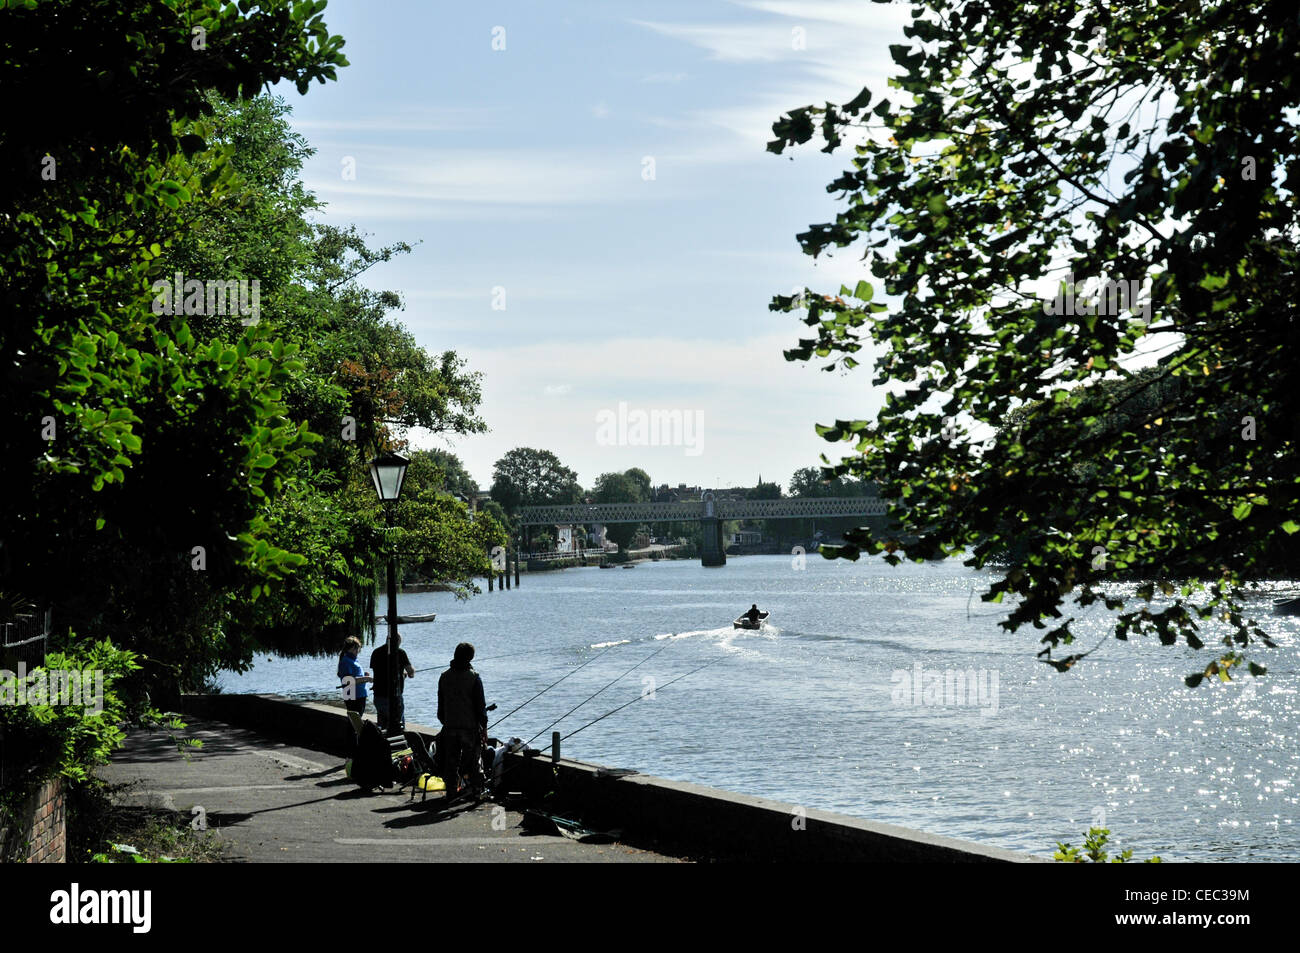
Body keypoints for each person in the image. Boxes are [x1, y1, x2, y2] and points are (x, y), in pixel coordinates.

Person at [437, 642, 487, 797]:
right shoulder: (474, 678)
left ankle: (451, 791)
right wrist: (484, 727)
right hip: (469, 728)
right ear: (470, 658)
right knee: (474, 761)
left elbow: (440, 707)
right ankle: (476, 790)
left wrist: (446, 721)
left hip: (450, 727)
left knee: (451, 762)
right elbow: (480, 707)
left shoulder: (444, 677)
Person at [370, 631, 414, 733]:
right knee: (398, 726)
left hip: (378, 695)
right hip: (394, 697)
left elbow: (379, 672)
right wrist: (403, 674)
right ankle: (398, 747)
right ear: (397, 641)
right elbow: (411, 673)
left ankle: (383, 746)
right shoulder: (400, 653)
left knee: (382, 725)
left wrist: (399, 674)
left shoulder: (375, 653)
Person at [337, 637, 373, 729]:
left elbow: (354, 676)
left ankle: (354, 741)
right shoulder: (346, 661)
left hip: (357, 694)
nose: (358, 651)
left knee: (354, 722)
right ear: (351, 648)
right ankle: (353, 742)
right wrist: (366, 678)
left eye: (358, 649)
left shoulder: (352, 660)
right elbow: (348, 680)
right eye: (356, 648)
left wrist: (364, 675)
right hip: (354, 695)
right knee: (354, 723)